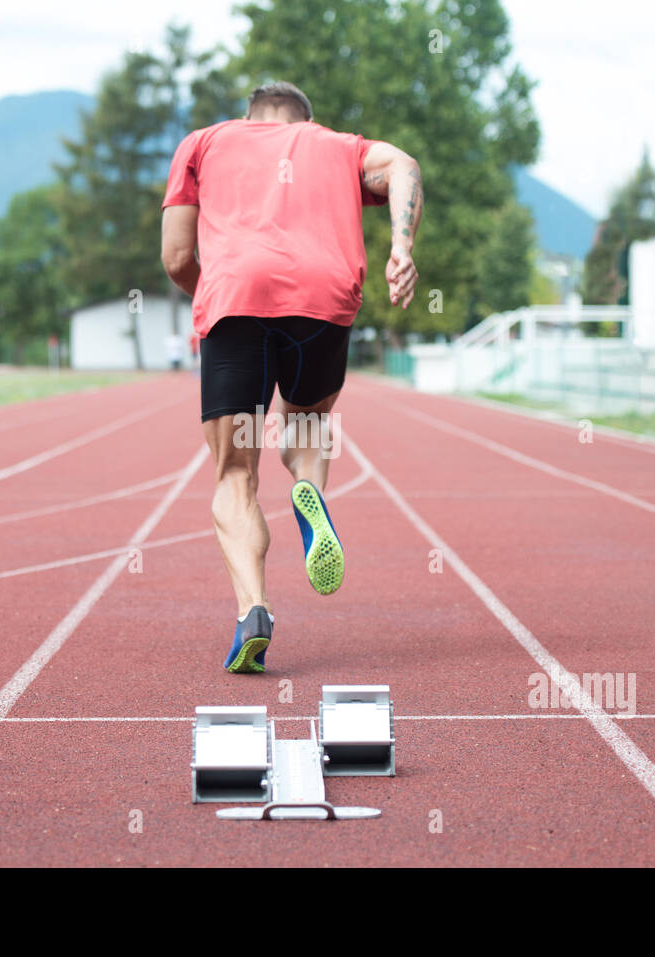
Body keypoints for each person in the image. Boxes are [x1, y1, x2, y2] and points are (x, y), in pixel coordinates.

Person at [160, 81, 422, 674]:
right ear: (308, 119)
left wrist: (215, 295)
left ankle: (253, 612)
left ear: (249, 115)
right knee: (308, 424)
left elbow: (177, 257)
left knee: (234, 473)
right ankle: (311, 492)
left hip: (235, 295)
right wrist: (401, 247)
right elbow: (403, 165)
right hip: (323, 296)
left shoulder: (203, 144)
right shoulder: (339, 147)